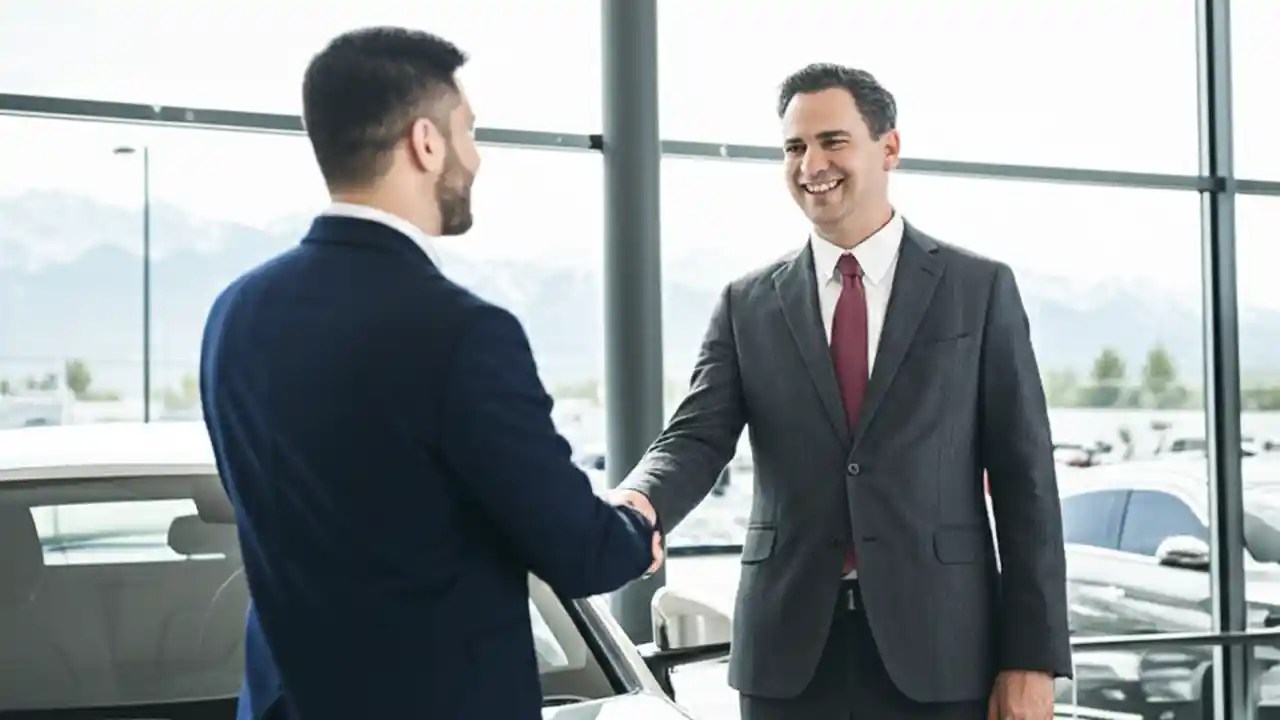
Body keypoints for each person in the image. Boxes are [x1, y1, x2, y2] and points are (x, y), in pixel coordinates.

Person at [199, 27, 660, 720]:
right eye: (468, 132)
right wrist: (633, 526)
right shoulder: (461, 332)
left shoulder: (234, 315)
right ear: (425, 142)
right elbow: (578, 552)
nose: (475, 157)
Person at [613, 63, 1071, 720]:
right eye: (794, 147)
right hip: (789, 655)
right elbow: (696, 435)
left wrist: (1032, 660)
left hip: (945, 652)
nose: (811, 164)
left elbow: (1028, 483)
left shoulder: (979, 290)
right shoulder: (747, 303)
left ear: (888, 148)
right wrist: (640, 500)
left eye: (832, 141)